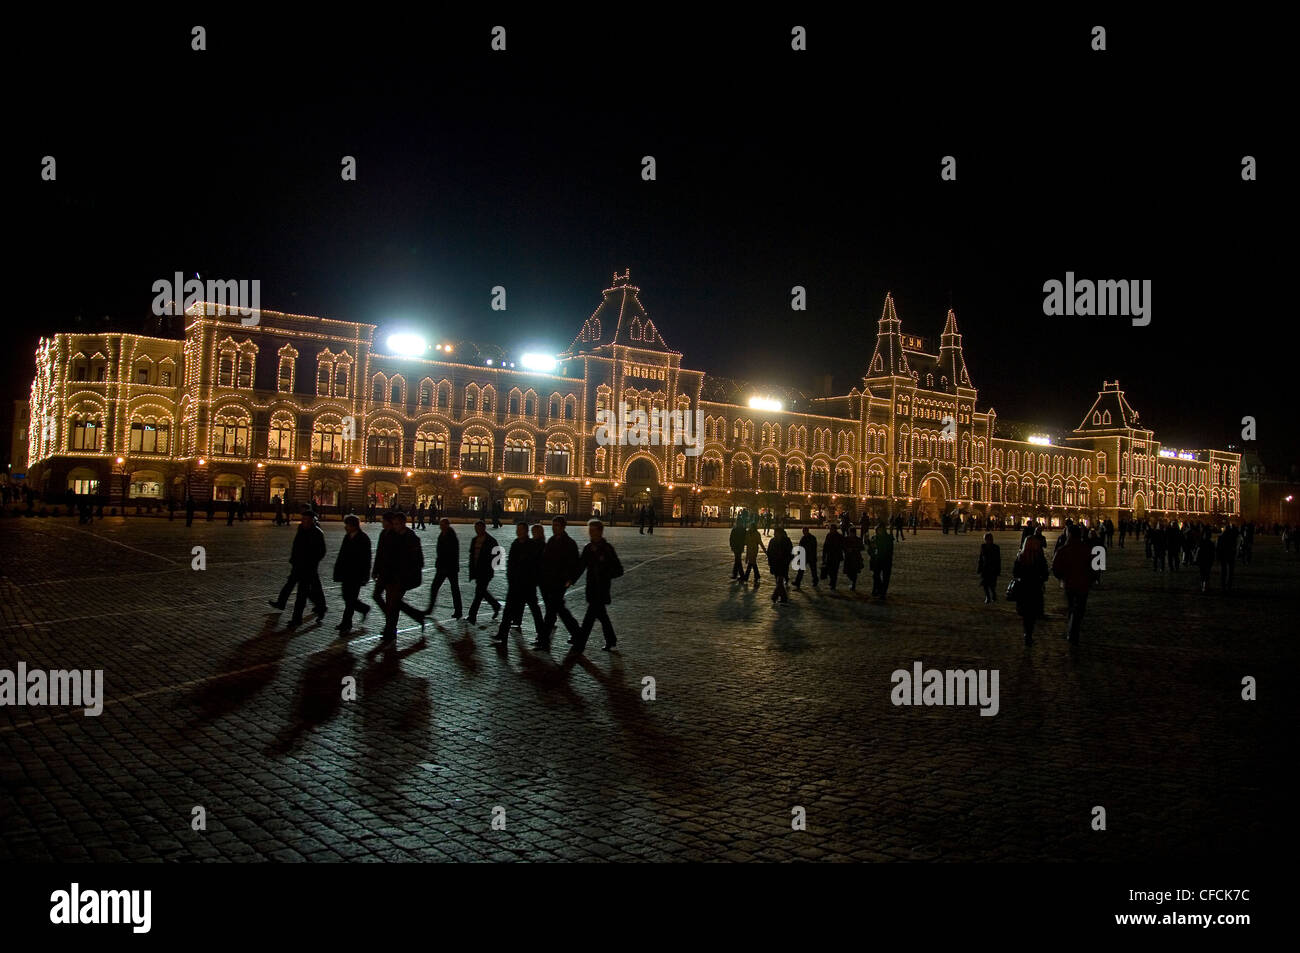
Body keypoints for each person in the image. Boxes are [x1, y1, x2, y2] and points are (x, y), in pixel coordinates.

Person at [371, 510, 426, 645]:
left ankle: (390, 630)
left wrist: (405, 573)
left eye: (397, 524)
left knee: (393, 604)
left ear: (403, 523)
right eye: (394, 524)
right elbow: (384, 555)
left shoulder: (410, 537)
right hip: (392, 575)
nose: (395, 526)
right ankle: (396, 626)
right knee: (393, 604)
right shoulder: (393, 535)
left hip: (402, 578)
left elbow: (417, 560)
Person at [570, 519, 624, 653]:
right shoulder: (588, 548)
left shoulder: (607, 549)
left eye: (593, 530)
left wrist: (605, 574)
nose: (591, 533)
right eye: (590, 530)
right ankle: (611, 640)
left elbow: (619, 570)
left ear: (600, 531)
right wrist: (571, 579)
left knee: (590, 617)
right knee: (602, 616)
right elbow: (581, 566)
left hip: (602, 588)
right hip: (592, 587)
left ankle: (580, 642)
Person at [268, 510, 328, 626]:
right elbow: (296, 546)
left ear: (311, 520)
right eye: (303, 519)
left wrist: (312, 562)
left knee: (302, 594)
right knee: (296, 587)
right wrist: (293, 559)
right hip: (297, 566)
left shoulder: (317, 533)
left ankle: (297, 619)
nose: (303, 521)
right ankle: (319, 607)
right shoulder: (301, 529)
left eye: (306, 519)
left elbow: (321, 551)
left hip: (308, 568)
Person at [534, 516, 581, 650]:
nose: (555, 528)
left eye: (557, 526)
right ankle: (577, 633)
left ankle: (543, 640)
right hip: (549, 581)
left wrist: (570, 579)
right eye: (553, 525)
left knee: (551, 611)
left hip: (560, 582)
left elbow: (575, 564)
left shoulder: (569, 543)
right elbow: (545, 560)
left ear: (563, 527)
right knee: (559, 609)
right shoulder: (552, 541)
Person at [494, 522, 544, 647]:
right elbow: (510, 563)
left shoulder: (532, 545)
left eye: (521, 530)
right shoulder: (516, 544)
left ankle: (542, 635)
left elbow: (536, 565)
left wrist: (533, 579)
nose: (518, 532)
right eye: (517, 530)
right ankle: (502, 633)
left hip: (527, 584)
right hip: (515, 583)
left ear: (526, 531)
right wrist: (510, 578)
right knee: (508, 610)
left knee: (534, 610)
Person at [1051, 524, 1092, 645]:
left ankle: (1071, 628)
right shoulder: (1087, 548)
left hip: (1069, 584)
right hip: (1083, 584)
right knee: (1080, 608)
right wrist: (1091, 578)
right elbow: (1096, 566)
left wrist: (1062, 578)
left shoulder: (1063, 550)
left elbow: (1055, 567)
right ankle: (1074, 629)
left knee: (1071, 606)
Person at [332, 514, 372, 632]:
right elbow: (341, 555)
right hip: (346, 573)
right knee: (347, 597)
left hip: (356, 574)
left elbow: (367, 559)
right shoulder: (347, 537)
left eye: (347, 525)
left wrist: (365, 575)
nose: (346, 527)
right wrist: (338, 570)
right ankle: (363, 608)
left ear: (354, 526)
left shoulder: (364, 538)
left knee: (350, 600)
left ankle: (346, 623)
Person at [1012, 534, 1049, 645]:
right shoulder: (1039, 557)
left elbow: (1015, 573)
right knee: (1032, 613)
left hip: (1023, 588)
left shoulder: (1020, 557)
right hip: (1035, 588)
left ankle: (1026, 633)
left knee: (1025, 613)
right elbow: (1045, 574)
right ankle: (1029, 634)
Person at [425, 518, 463, 618]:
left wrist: (444, 565)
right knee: (448, 588)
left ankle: (458, 610)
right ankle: (457, 610)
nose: (440, 526)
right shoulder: (443, 535)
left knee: (452, 589)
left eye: (442, 525)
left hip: (449, 567)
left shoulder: (450, 536)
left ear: (446, 525)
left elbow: (452, 553)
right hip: (444, 567)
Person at [467, 519, 502, 624]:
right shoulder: (474, 540)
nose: (477, 530)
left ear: (483, 528)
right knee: (482, 592)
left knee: (478, 594)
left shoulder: (491, 541)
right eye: (476, 528)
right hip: (477, 570)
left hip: (485, 571)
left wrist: (491, 567)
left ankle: (472, 616)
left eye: (479, 528)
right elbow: (472, 556)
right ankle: (495, 605)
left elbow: (497, 555)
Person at [766, 526, 794, 603]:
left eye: (776, 532)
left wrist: (787, 560)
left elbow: (790, 552)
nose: (775, 534)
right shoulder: (773, 541)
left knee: (780, 581)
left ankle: (775, 596)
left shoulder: (786, 541)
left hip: (783, 564)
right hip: (775, 564)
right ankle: (782, 597)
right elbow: (769, 552)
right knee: (778, 582)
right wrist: (770, 562)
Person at [870, 522, 894, 599]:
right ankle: (880, 589)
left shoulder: (888, 538)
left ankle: (883, 592)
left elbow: (890, 550)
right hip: (877, 560)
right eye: (879, 530)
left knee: (886, 578)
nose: (880, 531)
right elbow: (871, 549)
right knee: (876, 575)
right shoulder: (874, 538)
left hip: (886, 560)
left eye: (881, 530)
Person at [977, 532, 1001, 603]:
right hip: (985, 568)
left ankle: (993, 595)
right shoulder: (983, 546)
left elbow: (998, 559)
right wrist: (979, 567)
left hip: (993, 568)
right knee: (985, 584)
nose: (987, 540)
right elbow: (981, 558)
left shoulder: (996, 547)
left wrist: (998, 569)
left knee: (992, 584)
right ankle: (988, 597)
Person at [741, 521, 765, 588]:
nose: (750, 528)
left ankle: (746, 577)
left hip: (754, 550)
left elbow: (760, 542)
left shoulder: (756, 534)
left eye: (751, 527)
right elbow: (745, 541)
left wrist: (764, 550)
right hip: (749, 549)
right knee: (753, 563)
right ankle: (757, 575)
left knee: (751, 563)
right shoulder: (748, 533)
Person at [822, 524, 843, 590]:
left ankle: (833, 583)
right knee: (830, 570)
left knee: (835, 570)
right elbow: (825, 546)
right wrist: (824, 555)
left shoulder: (839, 536)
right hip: (830, 555)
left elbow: (842, 546)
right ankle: (832, 581)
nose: (830, 530)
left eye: (831, 529)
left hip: (836, 556)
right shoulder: (829, 535)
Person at [843, 526, 864, 591]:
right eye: (850, 533)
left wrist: (854, 549)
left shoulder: (858, 539)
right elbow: (843, 546)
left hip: (855, 558)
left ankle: (853, 584)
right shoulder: (846, 539)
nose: (851, 534)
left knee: (854, 572)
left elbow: (862, 548)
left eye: (852, 533)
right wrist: (847, 549)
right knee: (848, 572)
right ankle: (852, 581)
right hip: (848, 558)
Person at [1195, 528, 1216, 593]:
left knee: (1202, 574)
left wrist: (1196, 559)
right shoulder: (1211, 543)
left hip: (1202, 560)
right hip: (1208, 560)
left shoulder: (1201, 542)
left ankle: (1203, 586)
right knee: (1207, 574)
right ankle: (1205, 586)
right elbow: (1213, 553)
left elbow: (1198, 551)